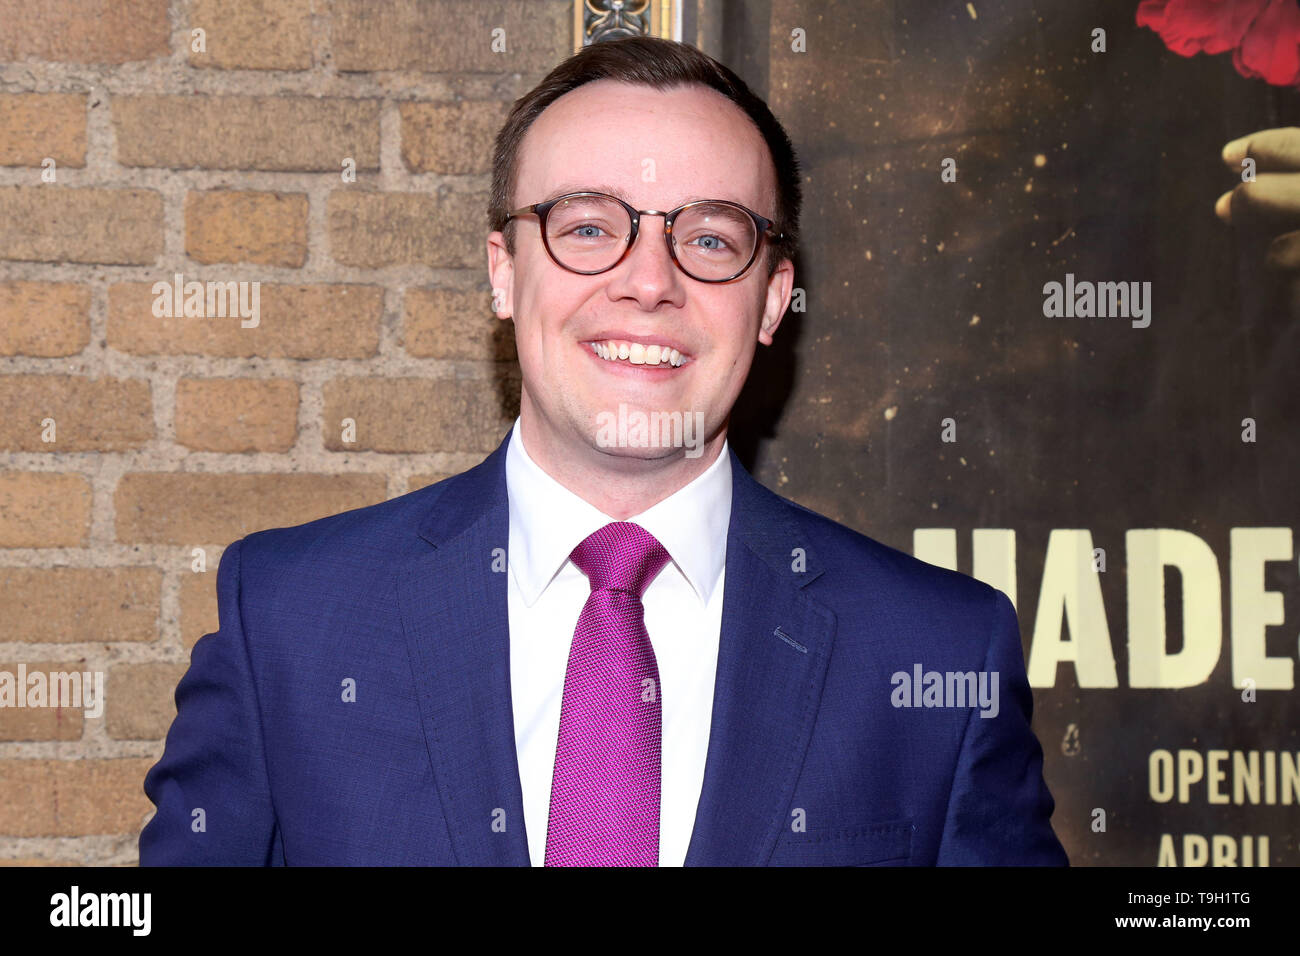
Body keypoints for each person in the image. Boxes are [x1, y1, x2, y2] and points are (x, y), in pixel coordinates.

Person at [139, 36, 1068, 866]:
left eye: (710, 238)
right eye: (588, 227)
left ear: (775, 299)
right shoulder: (291, 622)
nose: (649, 281)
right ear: (504, 272)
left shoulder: (939, 654)